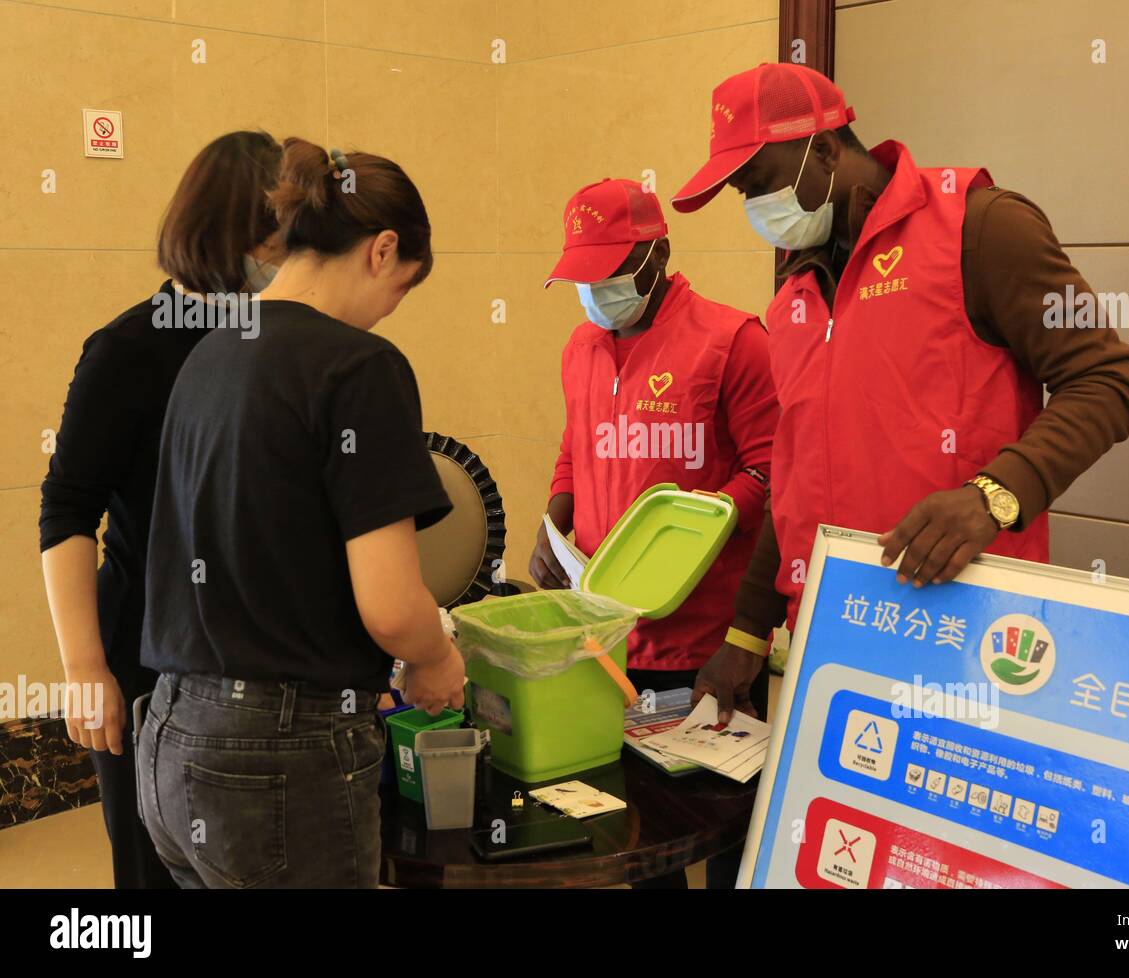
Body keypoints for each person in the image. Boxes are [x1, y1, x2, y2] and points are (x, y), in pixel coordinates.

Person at [671, 63, 1129, 721]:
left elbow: (1107, 381)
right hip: (834, 638)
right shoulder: (793, 300)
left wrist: (992, 496)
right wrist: (747, 632)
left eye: (761, 183)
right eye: (743, 193)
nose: (755, 207)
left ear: (827, 148)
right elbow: (795, 472)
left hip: (968, 639)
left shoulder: (981, 228)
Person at [135, 138, 464, 888]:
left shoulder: (212, 353)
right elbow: (389, 606)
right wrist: (436, 658)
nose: (390, 312)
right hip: (278, 757)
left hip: (172, 736)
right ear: (383, 251)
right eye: (404, 288)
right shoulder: (360, 367)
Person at [39, 130, 284, 889]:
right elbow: (66, 511)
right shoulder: (127, 350)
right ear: (230, 234)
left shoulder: (275, 337)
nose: (284, 259)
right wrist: (84, 668)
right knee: (150, 869)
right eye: (276, 240)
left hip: (252, 653)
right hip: (143, 647)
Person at [529, 178, 779, 888]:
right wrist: (556, 518)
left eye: (609, 274)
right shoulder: (582, 345)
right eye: (582, 277)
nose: (594, 291)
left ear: (657, 255)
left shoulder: (733, 340)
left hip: (704, 645)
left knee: (723, 827)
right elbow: (576, 443)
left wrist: (700, 526)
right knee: (638, 838)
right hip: (604, 639)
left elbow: (772, 467)